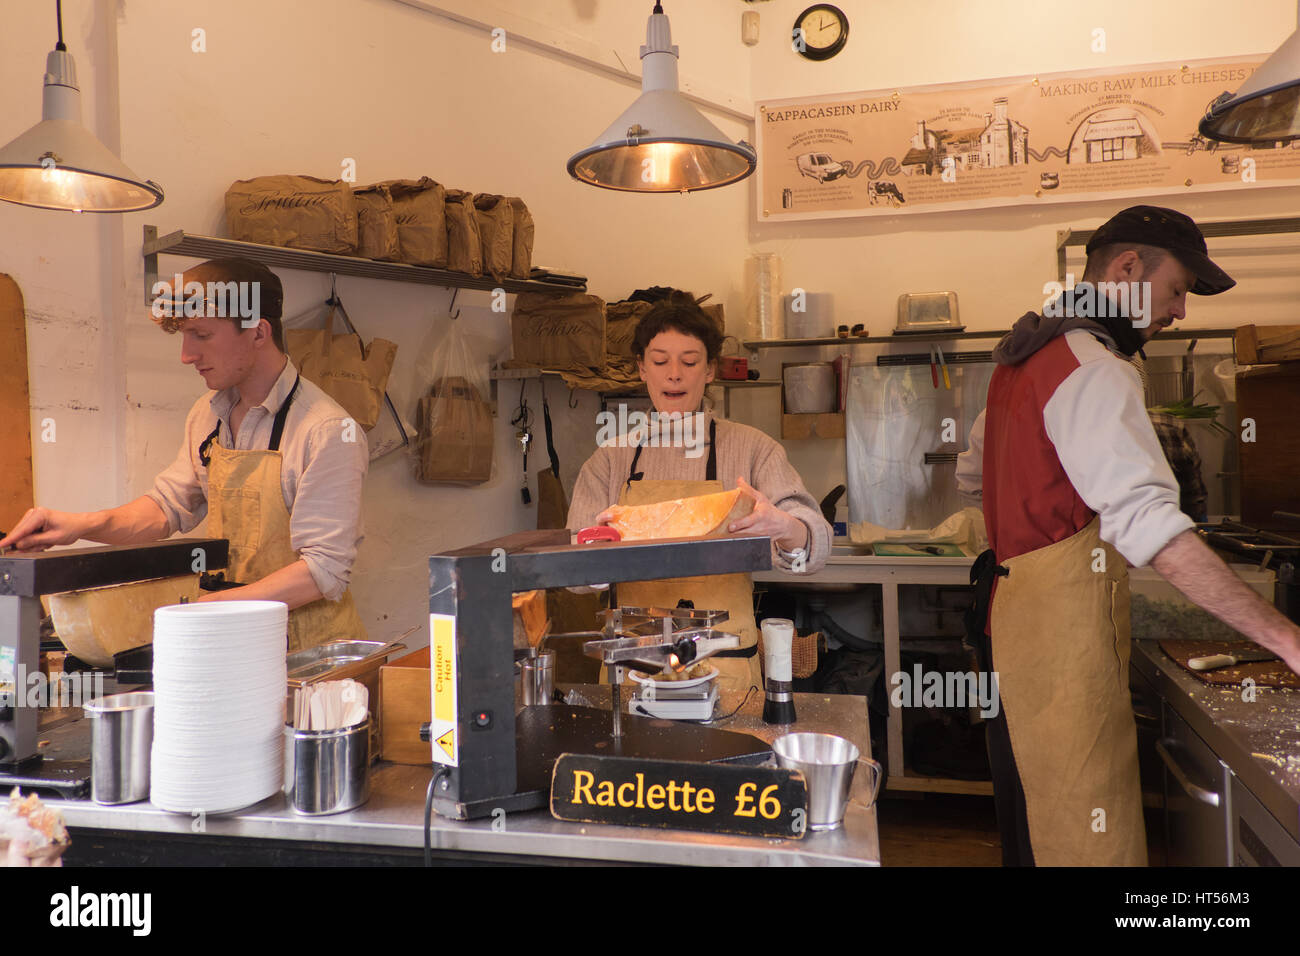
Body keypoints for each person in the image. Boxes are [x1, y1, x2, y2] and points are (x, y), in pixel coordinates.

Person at [956, 205, 1300, 867]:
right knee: (1087, 839)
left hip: (1007, 625)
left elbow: (973, 475)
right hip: (1060, 648)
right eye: (1177, 290)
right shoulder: (1096, 367)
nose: (1179, 312)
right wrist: (1285, 638)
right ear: (1127, 268)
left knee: (1031, 827)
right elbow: (1155, 532)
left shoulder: (1024, 356)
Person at [0, 257, 368, 651]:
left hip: (309, 655)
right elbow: (165, 508)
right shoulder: (208, 414)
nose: (186, 355)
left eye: (201, 335)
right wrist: (78, 526)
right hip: (231, 639)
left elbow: (321, 572)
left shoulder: (326, 431)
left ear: (258, 332)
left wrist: (195, 610)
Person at [568, 293, 832, 696]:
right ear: (642, 368)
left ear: (709, 370)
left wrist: (784, 526)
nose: (674, 374)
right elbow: (573, 573)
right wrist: (595, 558)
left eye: (689, 362)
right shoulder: (609, 458)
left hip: (726, 668)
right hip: (632, 670)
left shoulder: (752, 449)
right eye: (660, 361)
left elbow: (815, 547)